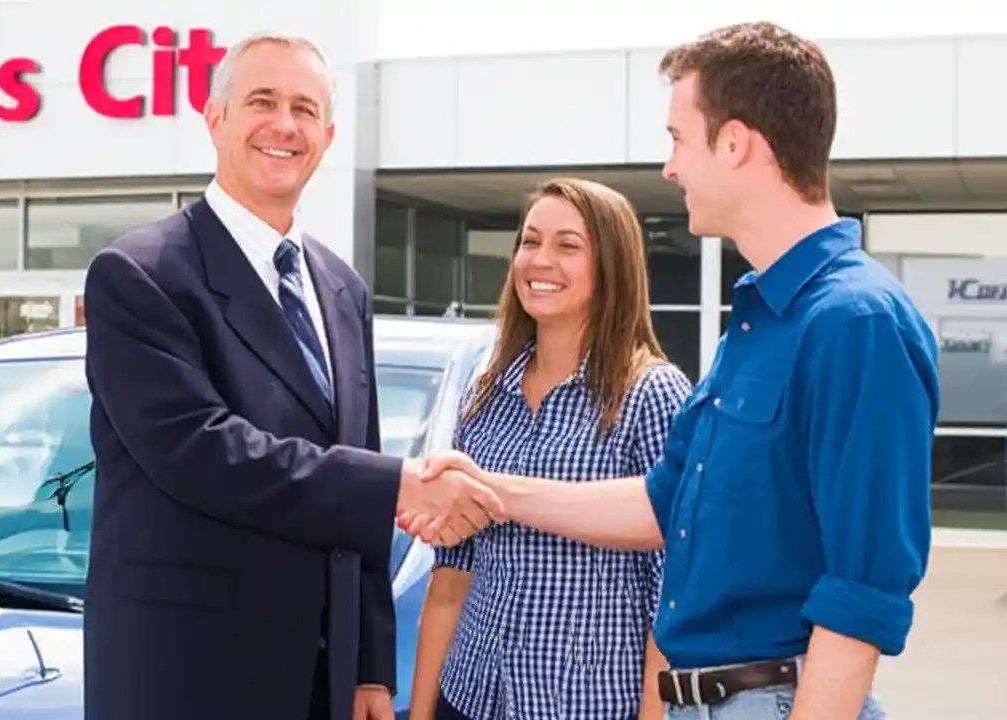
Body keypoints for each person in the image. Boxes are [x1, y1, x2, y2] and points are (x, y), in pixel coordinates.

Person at [401, 21, 939, 720]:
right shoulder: (760, 321)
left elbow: (862, 593)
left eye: (678, 139)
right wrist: (484, 486)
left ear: (736, 143)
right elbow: (663, 503)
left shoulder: (857, 324)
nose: (670, 167)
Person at [82, 32, 503, 720]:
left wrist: (370, 665)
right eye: (262, 101)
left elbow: (352, 467)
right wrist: (400, 482)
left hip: (323, 685)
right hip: (188, 677)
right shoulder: (141, 274)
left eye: (305, 109)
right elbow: (200, 451)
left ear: (328, 136)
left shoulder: (342, 287)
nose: (285, 125)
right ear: (215, 119)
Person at [407, 178, 693, 720]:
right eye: (530, 242)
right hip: (469, 696)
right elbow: (450, 577)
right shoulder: (485, 393)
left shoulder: (651, 395)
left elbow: (671, 598)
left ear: (611, 266)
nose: (540, 261)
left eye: (568, 246)